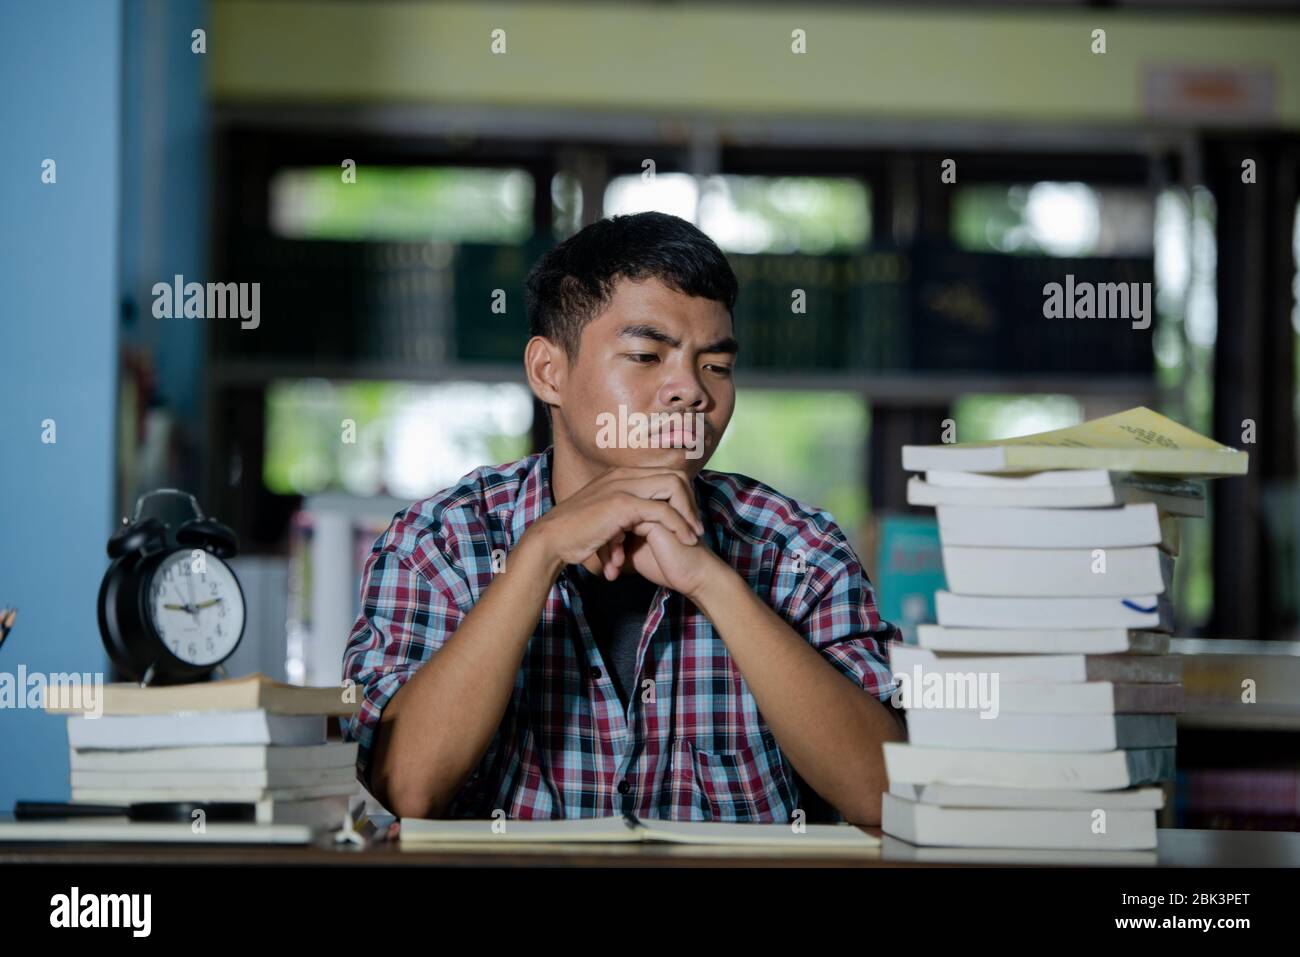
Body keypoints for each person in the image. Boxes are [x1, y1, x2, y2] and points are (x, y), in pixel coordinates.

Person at [341, 211, 903, 824]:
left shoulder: (797, 548)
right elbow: (403, 790)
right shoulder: (440, 543)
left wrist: (712, 581)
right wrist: (539, 556)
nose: (690, 389)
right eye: (645, 355)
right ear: (548, 372)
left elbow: (885, 793)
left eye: (716, 365)